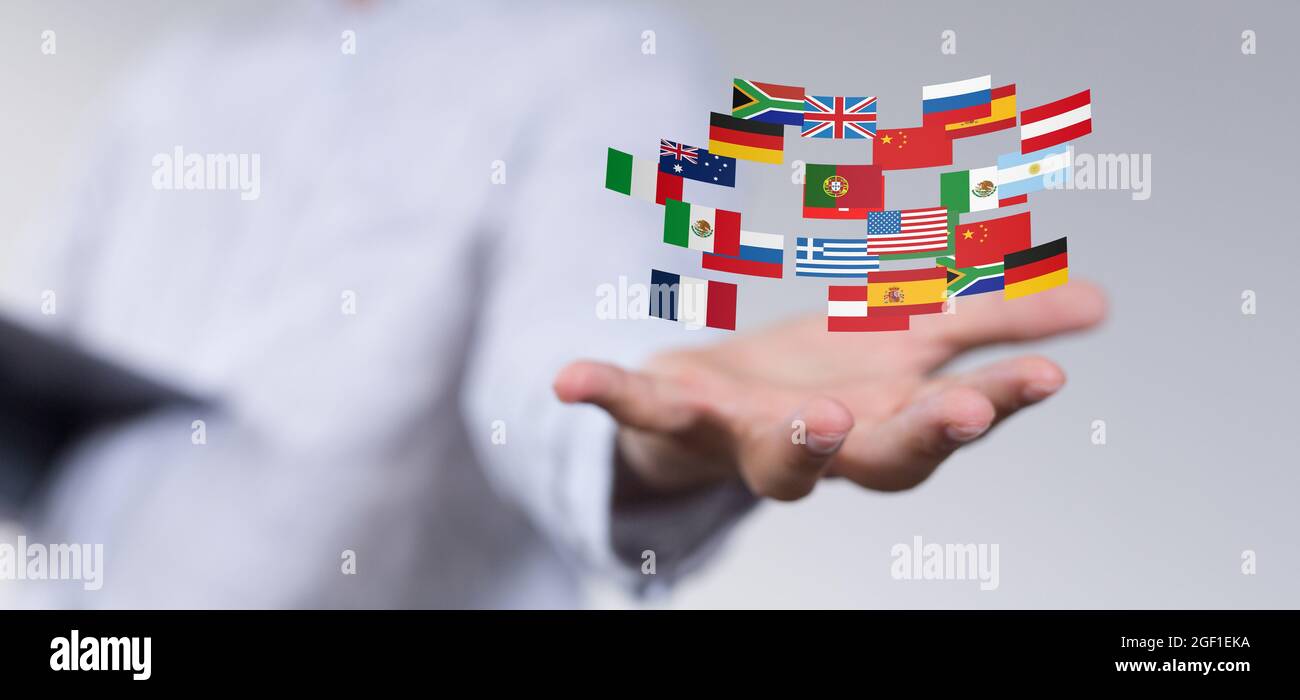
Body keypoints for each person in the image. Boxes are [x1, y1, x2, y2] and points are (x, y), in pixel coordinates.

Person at [1, 1, 1104, 608]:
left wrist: (661, 431)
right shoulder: (179, 77)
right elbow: (48, 343)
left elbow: (578, 360)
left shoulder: (603, 53)